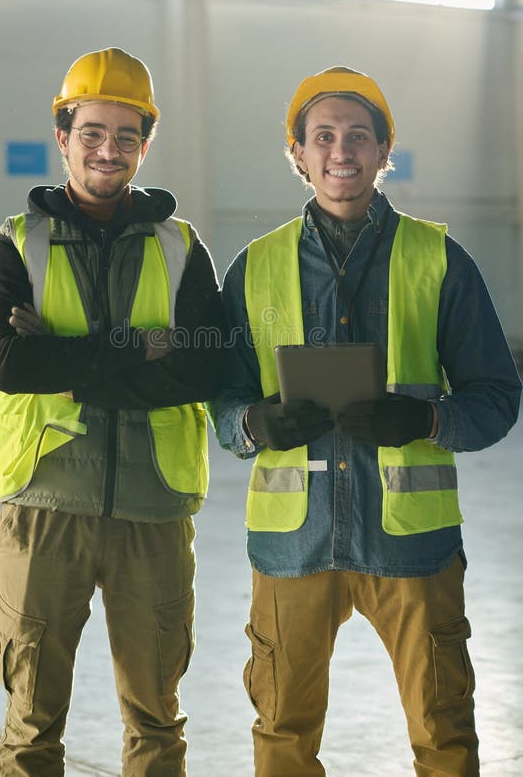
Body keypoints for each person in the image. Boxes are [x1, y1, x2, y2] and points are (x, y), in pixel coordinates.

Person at [208, 65, 521, 776]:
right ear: (297, 153)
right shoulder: (253, 269)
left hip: (412, 546)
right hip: (294, 545)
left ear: (386, 151)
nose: (340, 151)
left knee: (445, 732)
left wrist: (426, 417)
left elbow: (496, 398)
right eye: (323, 136)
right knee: (283, 733)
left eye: (358, 136)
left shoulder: (439, 261)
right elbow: (222, 408)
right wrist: (257, 423)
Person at [0, 47, 224, 776]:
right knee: (32, 722)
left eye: (125, 136)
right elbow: (10, 364)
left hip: (155, 507)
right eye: (92, 132)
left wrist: (72, 361)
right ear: (63, 137)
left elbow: (208, 364)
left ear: (145, 145)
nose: (108, 150)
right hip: (45, 502)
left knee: (156, 720)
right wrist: (137, 346)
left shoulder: (181, 247)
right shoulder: (17, 243)